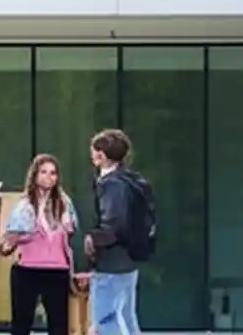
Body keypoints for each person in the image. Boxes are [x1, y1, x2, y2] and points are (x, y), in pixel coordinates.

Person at [0, 154, 78, 335]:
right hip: (28, 270)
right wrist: (12, 240)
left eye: (53, 173)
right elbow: (8, 242)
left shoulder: (65, 204)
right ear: (34, 175)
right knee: (21, 324)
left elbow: (71, 233)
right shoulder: (24, 206)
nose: (49, 177)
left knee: (59, 326)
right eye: (43, 172)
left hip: (57, 270)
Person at [85, 129, 151, 335]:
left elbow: (114, 224)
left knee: (105, 319)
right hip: (129, 260)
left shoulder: (111, 184)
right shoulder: (131, 180)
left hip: (110, 262)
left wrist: (93, 239)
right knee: (126, 316)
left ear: (100, 155)